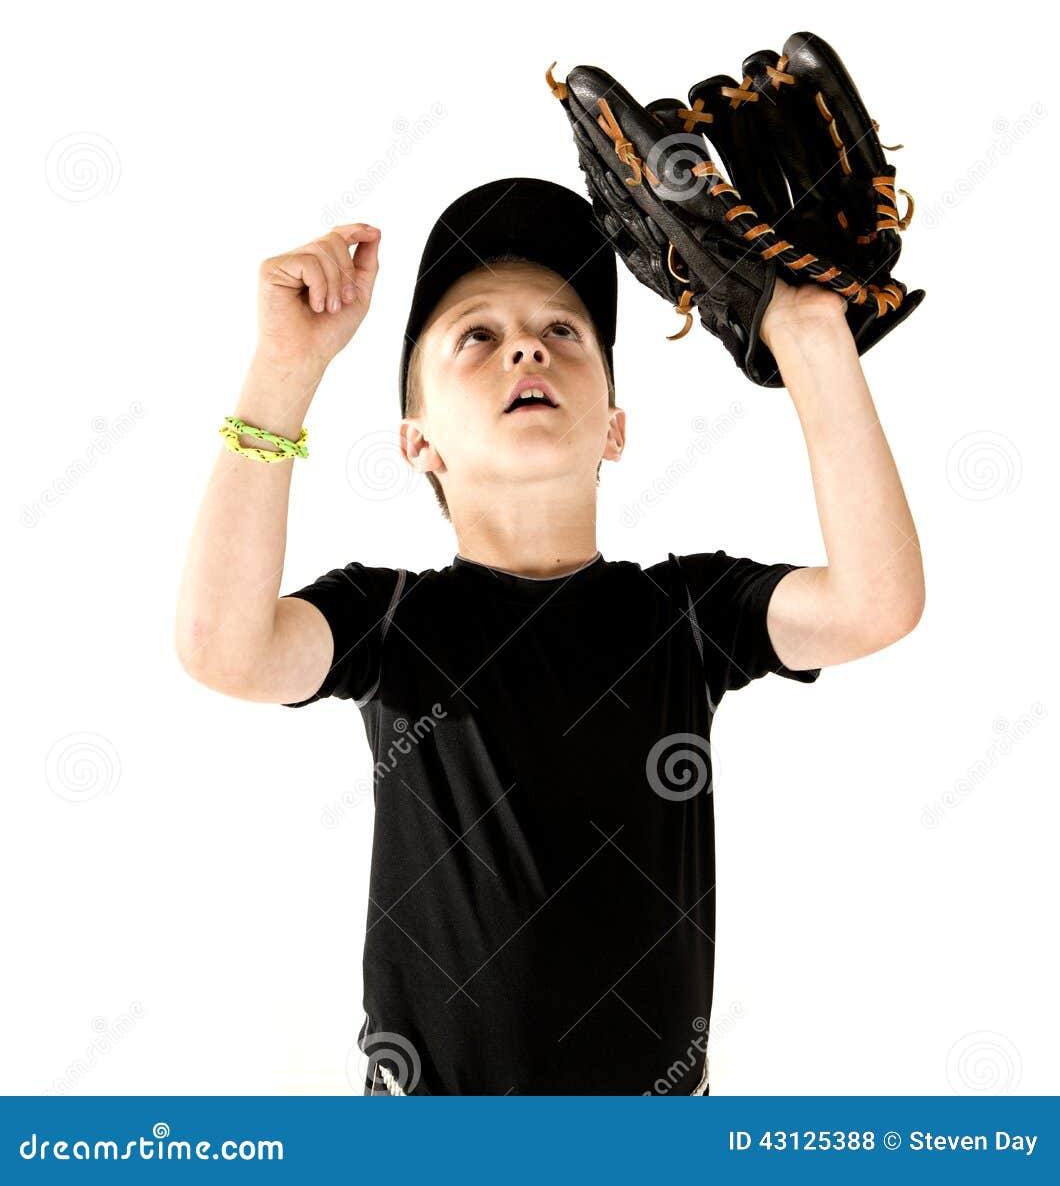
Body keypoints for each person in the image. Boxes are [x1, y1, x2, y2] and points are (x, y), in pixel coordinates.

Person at [174, 177, 925, 1095]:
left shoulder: (687, 614)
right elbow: (223, 647)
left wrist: (810, 340)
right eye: (476, 336)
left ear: (613, 427)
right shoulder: (388, 622)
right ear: (417, 442)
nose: (527, 345)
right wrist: (284, 367)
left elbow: (874, 603)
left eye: (564, 331)